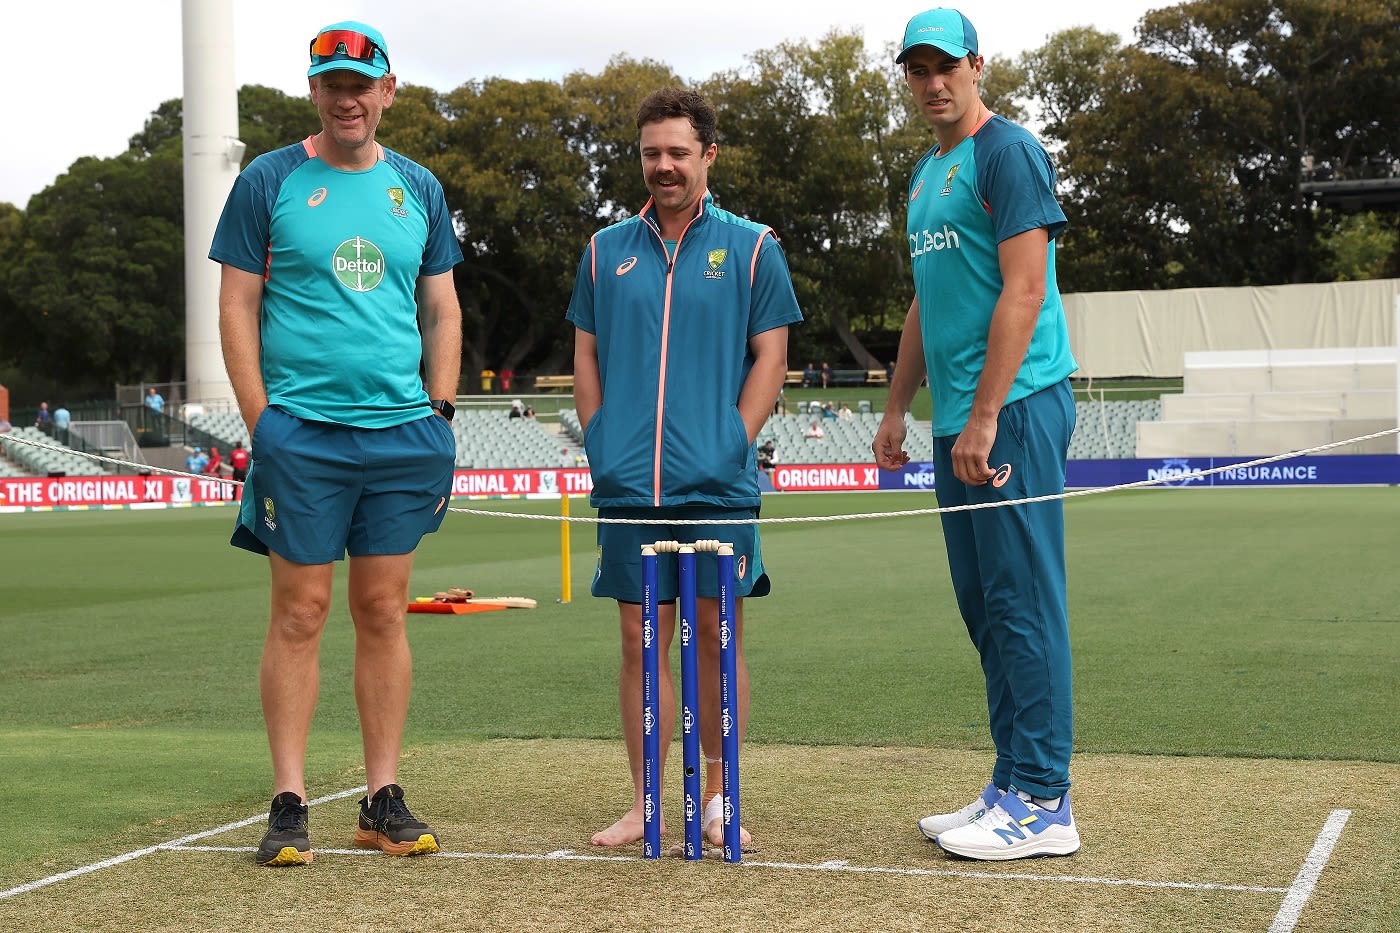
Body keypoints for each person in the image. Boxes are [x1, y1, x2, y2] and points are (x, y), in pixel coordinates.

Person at [209, 19, 463, 868]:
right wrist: (262, 421)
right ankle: (288, 799)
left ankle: (380, 795)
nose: (347, 97)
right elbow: (237, 305)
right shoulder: (269, 180)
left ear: (388, 92)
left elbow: (442, 308)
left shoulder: (419, 188)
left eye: (363, 83)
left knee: (384, 610)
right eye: (333, 83)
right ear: (313, 91)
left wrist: (443, 407)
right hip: (303, 435)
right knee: (300, 611)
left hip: (401, 432)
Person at [567, 86, 801, 852]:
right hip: (630, 483)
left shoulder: (753, 246)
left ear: (708, 155)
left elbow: (772, 353)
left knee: (715, 632)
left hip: (717, 483)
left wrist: (733, 439)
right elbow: (587, 354)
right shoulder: (605, 250)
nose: (663, 166)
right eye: (650, 153)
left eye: (677, 152)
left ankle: (718, 796)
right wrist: (601, 440)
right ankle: (645, 803)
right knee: (640, 638)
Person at [873, 8, 1080, 862]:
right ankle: (1009, 781)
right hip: (961, 418)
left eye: (945, 66)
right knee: (986, 607)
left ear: (977, 66)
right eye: (917, 69)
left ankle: (1044, 799)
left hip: (1018, 405)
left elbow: (1024, 290)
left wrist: (988, 412)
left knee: (1023, 600)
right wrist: (896, 408)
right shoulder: (927, 174)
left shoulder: (1008, 151)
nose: (932, 83)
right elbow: (928, 297)